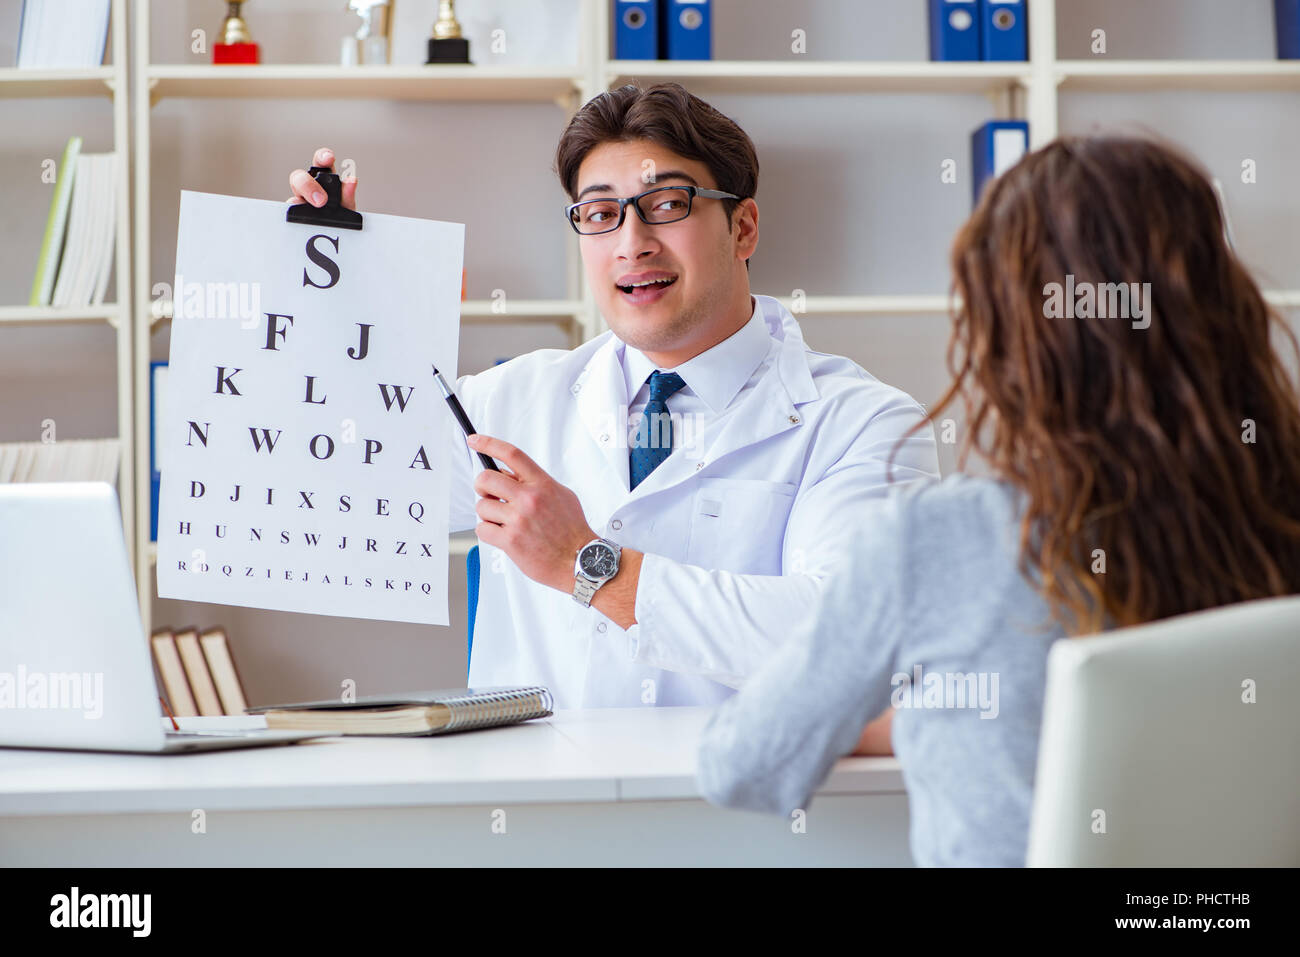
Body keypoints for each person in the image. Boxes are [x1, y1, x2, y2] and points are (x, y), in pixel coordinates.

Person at [696, 135, 1300, 865]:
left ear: (1014, 337)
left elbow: (743, 765)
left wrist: (905, 708)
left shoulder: (944, 536)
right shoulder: (1277, 509)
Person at [287, 83, 939, 710]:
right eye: (601, 214)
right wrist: (329, 291)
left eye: (667, 205)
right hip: (537, 811)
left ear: (743, 228)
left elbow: (857, 644)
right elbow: (321, 482)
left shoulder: (864, 423)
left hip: (741, 815)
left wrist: (583, 562)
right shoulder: (510, 401)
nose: (632, 243)